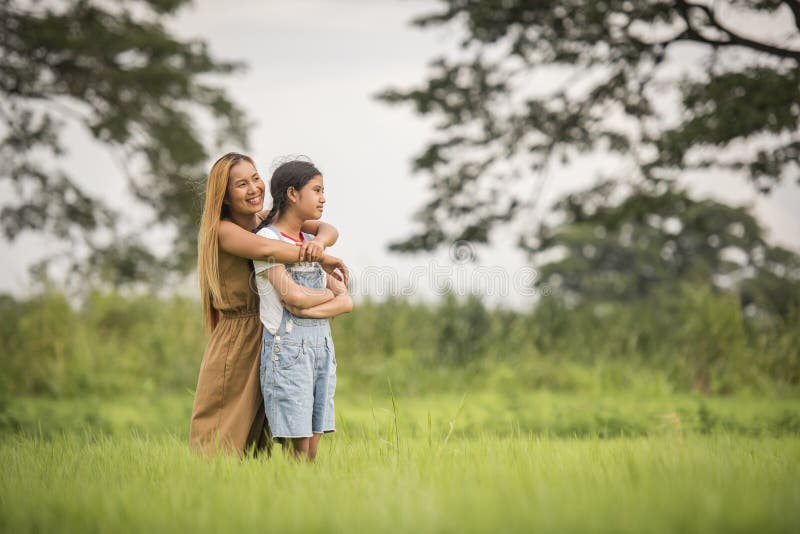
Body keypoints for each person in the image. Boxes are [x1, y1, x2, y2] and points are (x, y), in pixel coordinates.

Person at [190, 152, 348, 457]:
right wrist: (319, 255)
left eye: (255, 178)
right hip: (238, 336)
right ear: (223, 196)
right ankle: (204, 490)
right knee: (223, 427)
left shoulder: (265, 218)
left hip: (271, 331)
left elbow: (328, 229)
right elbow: (266, 248)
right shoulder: (223, 230)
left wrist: (321, 244)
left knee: (260, 432)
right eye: (240, 184)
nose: (253, 189)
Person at [253, 159, 353, 460]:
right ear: (293, 194)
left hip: (321, 347)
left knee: (312, 450)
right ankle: (292, 499)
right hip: (288, 350)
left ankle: (308, 498)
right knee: (298, 450)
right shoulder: (267, 240)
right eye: (317, 190)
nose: (323, 198)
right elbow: (291, 296)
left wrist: (309, 308)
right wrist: (325, 295)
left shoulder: (311, 243)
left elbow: (346, 301)